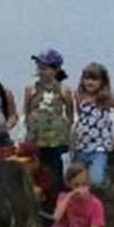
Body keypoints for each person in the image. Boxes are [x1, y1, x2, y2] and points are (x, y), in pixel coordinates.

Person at [69, 61, 114, 190]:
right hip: (81, 144)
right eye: (87, 79)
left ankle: (104, 178)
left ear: (102, 82)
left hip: (99, 145)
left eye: (94, 79)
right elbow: (80, 115)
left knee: (97, 180)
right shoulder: (79, 95)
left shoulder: (107, 98)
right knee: (77, 178)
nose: (90, 83)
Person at [24, 50, 73, 192]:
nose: (40, 71)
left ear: (55, 69)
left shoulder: (64, 90)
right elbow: (27, 110)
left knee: (55, 172)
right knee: (35, 170)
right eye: (39, 68)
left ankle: (54, 201)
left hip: (57, 140)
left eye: (44, 68)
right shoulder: (31, 88)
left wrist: (64, 129)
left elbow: (70, 114)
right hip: (36, 137)